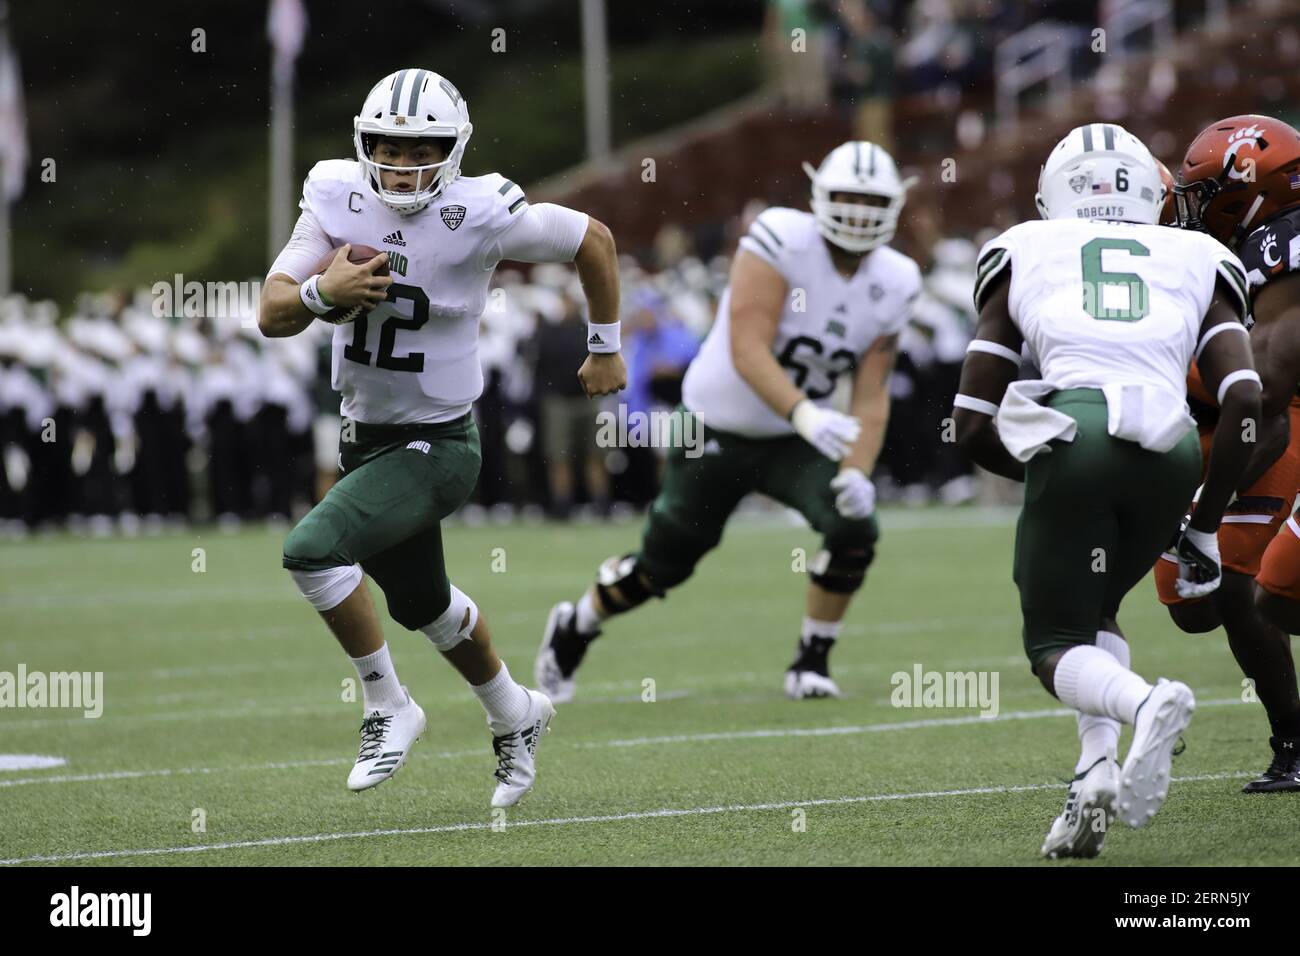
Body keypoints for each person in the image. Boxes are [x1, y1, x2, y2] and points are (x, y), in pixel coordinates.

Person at [258, 68, 626, 807]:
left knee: (311, 549)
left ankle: (388, 705)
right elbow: (272, 312)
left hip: (441, 443)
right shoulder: (337, 194)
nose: (402, 165)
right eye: (388, 149)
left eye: (420, 149)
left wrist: (606, 344)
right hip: (365, 438)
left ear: (452, 150)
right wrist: (320, 294)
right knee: (424, 603)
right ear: (366, 148)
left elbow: (595, 238)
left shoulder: (482, 208)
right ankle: (515, 711)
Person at [953, 123, 1261, 859]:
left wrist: (1054, 472)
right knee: (1098, 608)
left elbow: (969, 422)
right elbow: (1245, 400)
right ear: (1151, 191)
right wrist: (1207, 527)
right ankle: (1093, 776)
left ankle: (1146, 701)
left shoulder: (1024, 244)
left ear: (1052, 196)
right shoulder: (1201, 253)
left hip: (1076, 425)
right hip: (1174, 449)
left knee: (1053, 642)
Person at [537, 141, 920, 702]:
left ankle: (811, 660)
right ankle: (577, 624)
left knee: (854, 525)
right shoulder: (782, 237)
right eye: (847, 197)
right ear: (819, 195)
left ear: (894, 204)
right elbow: (747, 348)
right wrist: (808, 413)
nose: (859, 212)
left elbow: (872, 394)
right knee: (663, 566)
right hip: (715, 425)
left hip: (794, 438)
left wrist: (858, 471)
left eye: (871, 201)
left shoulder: (899, 278)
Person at [1157, 114, 1300, 793]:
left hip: (1279, 415)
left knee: (1273, 591)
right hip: (1262, 415)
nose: (1197, 211)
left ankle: (1294, 741)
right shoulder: (1250, 249)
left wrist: (1201, 520)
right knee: (1222, 600)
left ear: (1250, 192)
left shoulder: (1283, 241)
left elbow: (1268, 402)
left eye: (1210, 194)